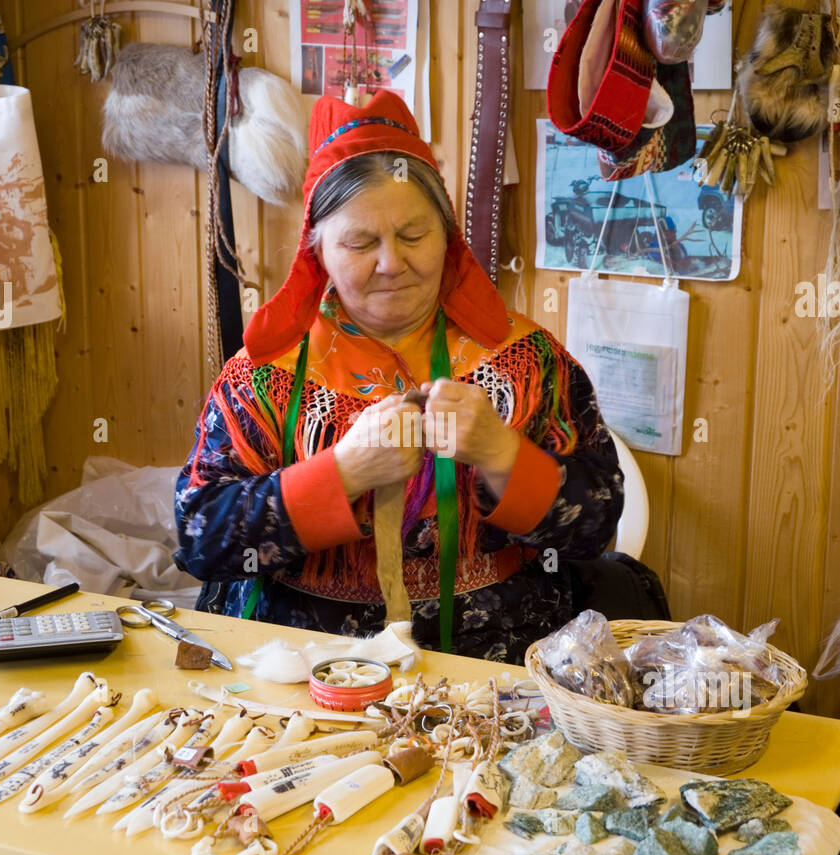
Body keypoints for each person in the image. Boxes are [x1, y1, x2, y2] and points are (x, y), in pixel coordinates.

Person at [174, 90, 623, 663]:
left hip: (491, 659)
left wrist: (502, 454)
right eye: (360, 243)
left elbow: (594, 529)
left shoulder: (525, 363)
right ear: (317, 252)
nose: (392, 263)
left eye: (414, 236)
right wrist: (341, 473)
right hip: (304, 659)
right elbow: (199, 541)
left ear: (447, 236)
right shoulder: (264, 379)